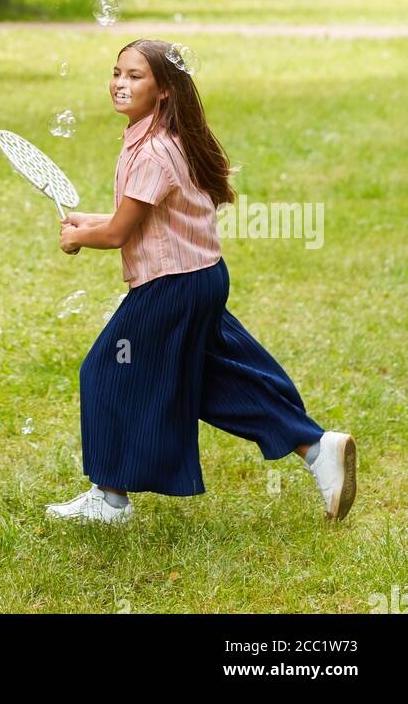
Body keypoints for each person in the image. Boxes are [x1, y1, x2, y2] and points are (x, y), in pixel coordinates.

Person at [45, 38, 357, 526]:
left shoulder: (151, 152)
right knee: (211, 382)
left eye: (135, 76)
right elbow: (143, 216)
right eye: (116, 73)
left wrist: (79, 239)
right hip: (200, 279)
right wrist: (89, 219)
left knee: (104, 372)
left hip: (169, 288)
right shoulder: (166, 139)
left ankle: (108, 500)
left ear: (165, 90)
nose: (120, 84)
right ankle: (319, 449)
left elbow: (121, 232)